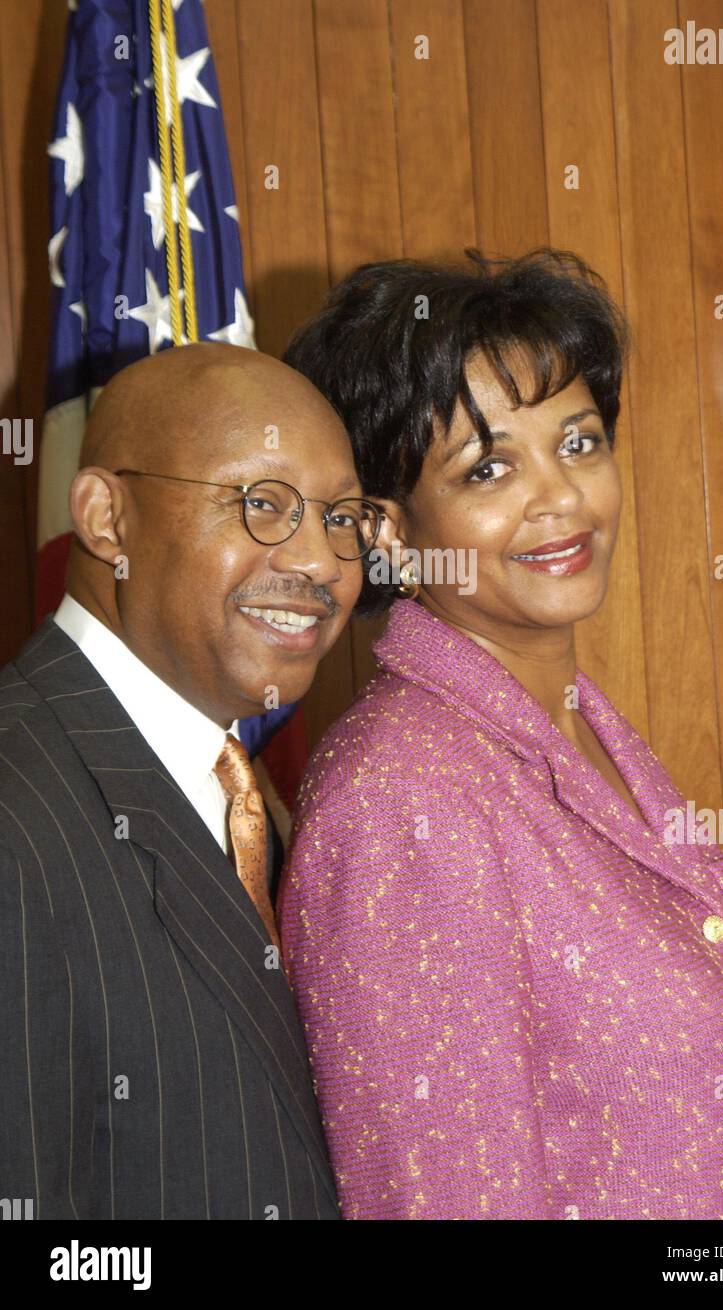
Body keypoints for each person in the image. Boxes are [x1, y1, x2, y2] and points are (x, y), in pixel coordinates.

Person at [278, 249, 723, 1221]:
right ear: (390, 533)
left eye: (576, 442)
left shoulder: (587, 737)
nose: (561, 498)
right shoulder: (403, 800)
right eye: (489, 466)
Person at [0, 340, 381, 1219]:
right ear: (106, 518)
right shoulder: (17, 815)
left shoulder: (254, 802)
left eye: (342, 518)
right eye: (261, 504)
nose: (322, 563)